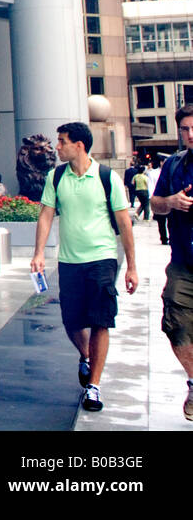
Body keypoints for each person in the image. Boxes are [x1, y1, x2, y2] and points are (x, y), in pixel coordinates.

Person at [31, 121, 137, 414]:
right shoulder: (56, 177)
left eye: (62, 141)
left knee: (101, 320)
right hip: (69, 260)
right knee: (72, 320)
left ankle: (94, 385)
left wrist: (131, 267)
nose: (58, 146)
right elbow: (45, 216)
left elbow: (124, 224)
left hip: (102, 259)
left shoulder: (106, 177)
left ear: (79, 145)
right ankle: (86, 355)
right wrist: (39, 253)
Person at [149, 104, 193, 420]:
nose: (191, 135)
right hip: (184, 261)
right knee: (175, 324)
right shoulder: (174, 165)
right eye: (185, 129)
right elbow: (155, 204)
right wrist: (172, 202)